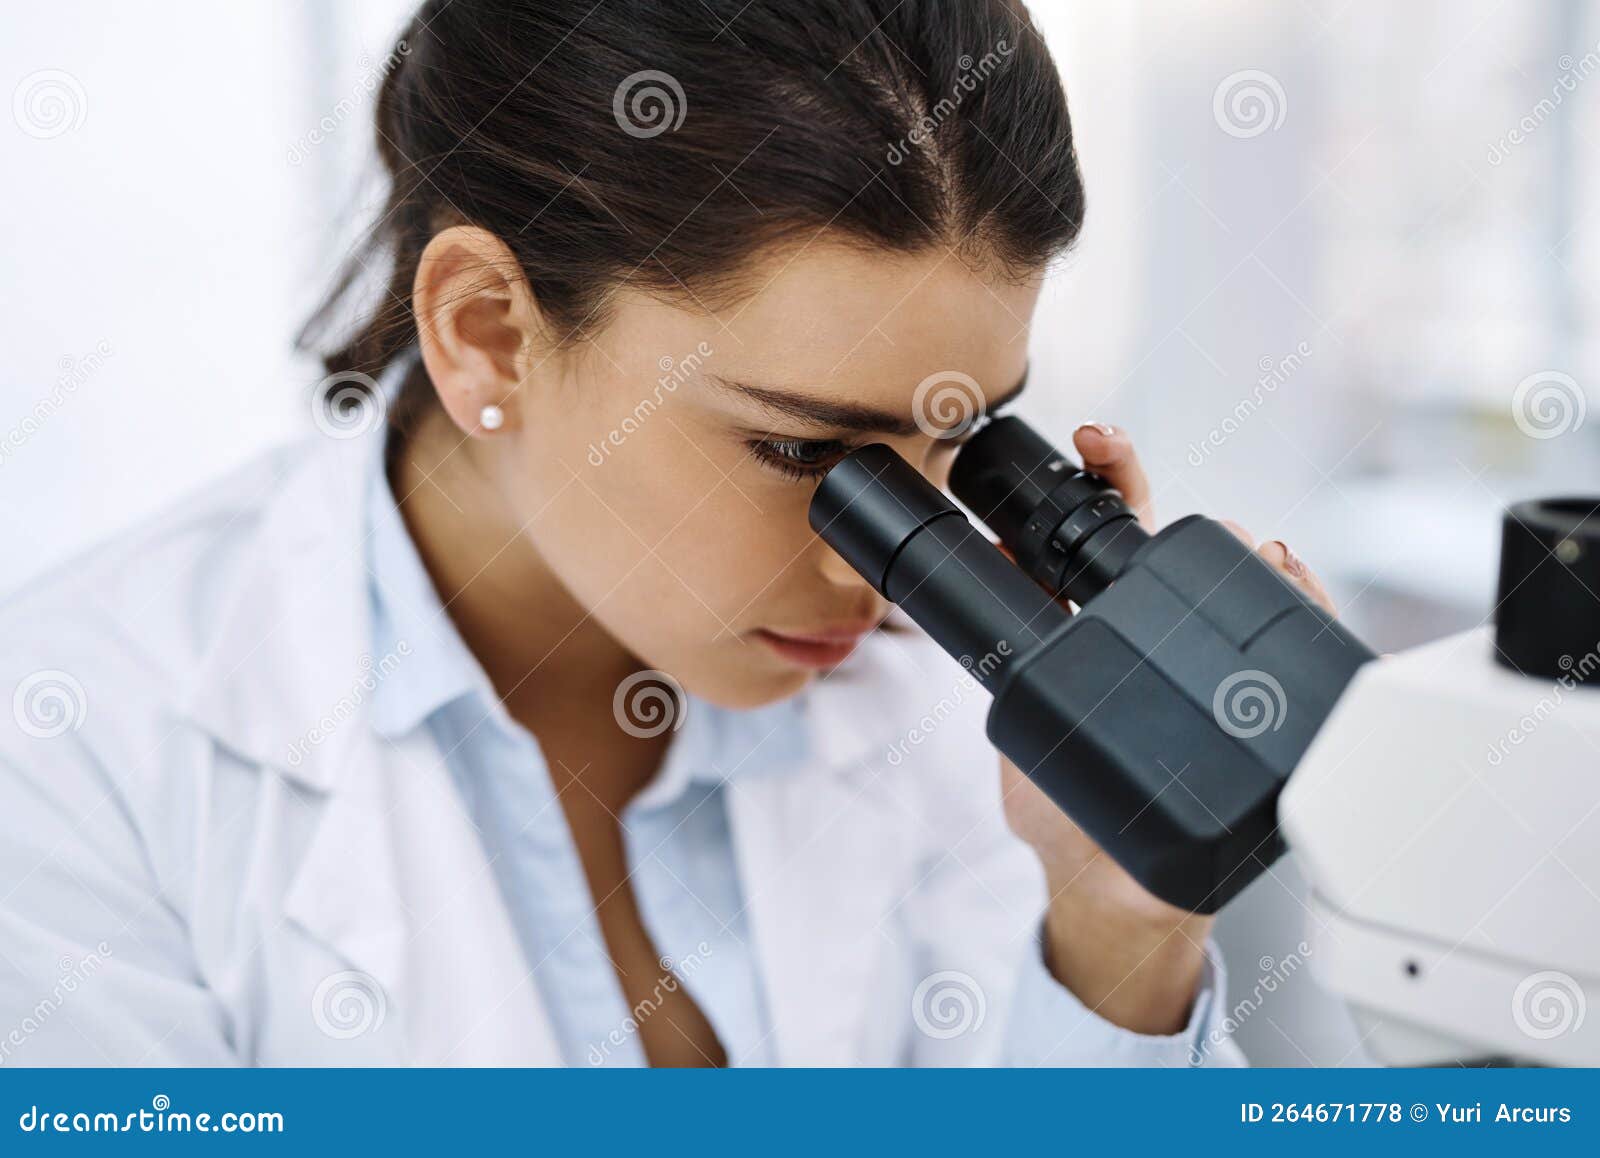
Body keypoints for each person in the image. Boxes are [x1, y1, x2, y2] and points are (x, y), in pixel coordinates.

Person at [0, 0, 1337, 1066]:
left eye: (964, 442)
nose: (880, 582)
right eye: (801, 449)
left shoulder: (943, 728)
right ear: (485, 329)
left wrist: (1117, 920)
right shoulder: (73, 759)